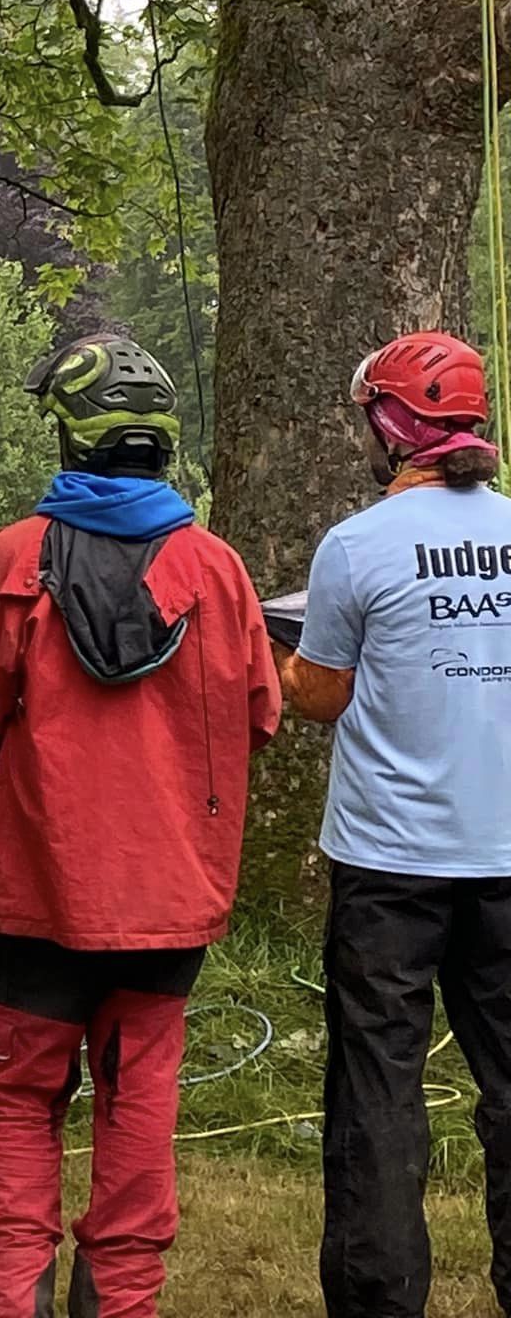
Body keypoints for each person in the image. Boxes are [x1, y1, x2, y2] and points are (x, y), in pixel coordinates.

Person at [0, 335, 281, 1318]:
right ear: (162, 443)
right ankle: (121, 1303)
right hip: (167, 899)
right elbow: (260, 711)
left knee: (13, 1100)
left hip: (34, 893)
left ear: (72, 438)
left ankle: (9, 1299)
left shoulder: (11, 555)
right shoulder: (216, 567)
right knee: (138, 1101)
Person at [283, 330, 511, 1318]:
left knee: (379, 1091)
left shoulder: (356, 545)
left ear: (390, 424)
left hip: (386, 866)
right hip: (506, 852)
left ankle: (379, 1302)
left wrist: (280, 653)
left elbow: (323, 696)